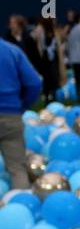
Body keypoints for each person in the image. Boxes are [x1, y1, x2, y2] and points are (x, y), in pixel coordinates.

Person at [0, 36, 42, 190]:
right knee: (17, 170)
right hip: (11, 116)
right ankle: (19, 208)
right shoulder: (11, 50)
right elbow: (35, 83)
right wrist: (22, 106)